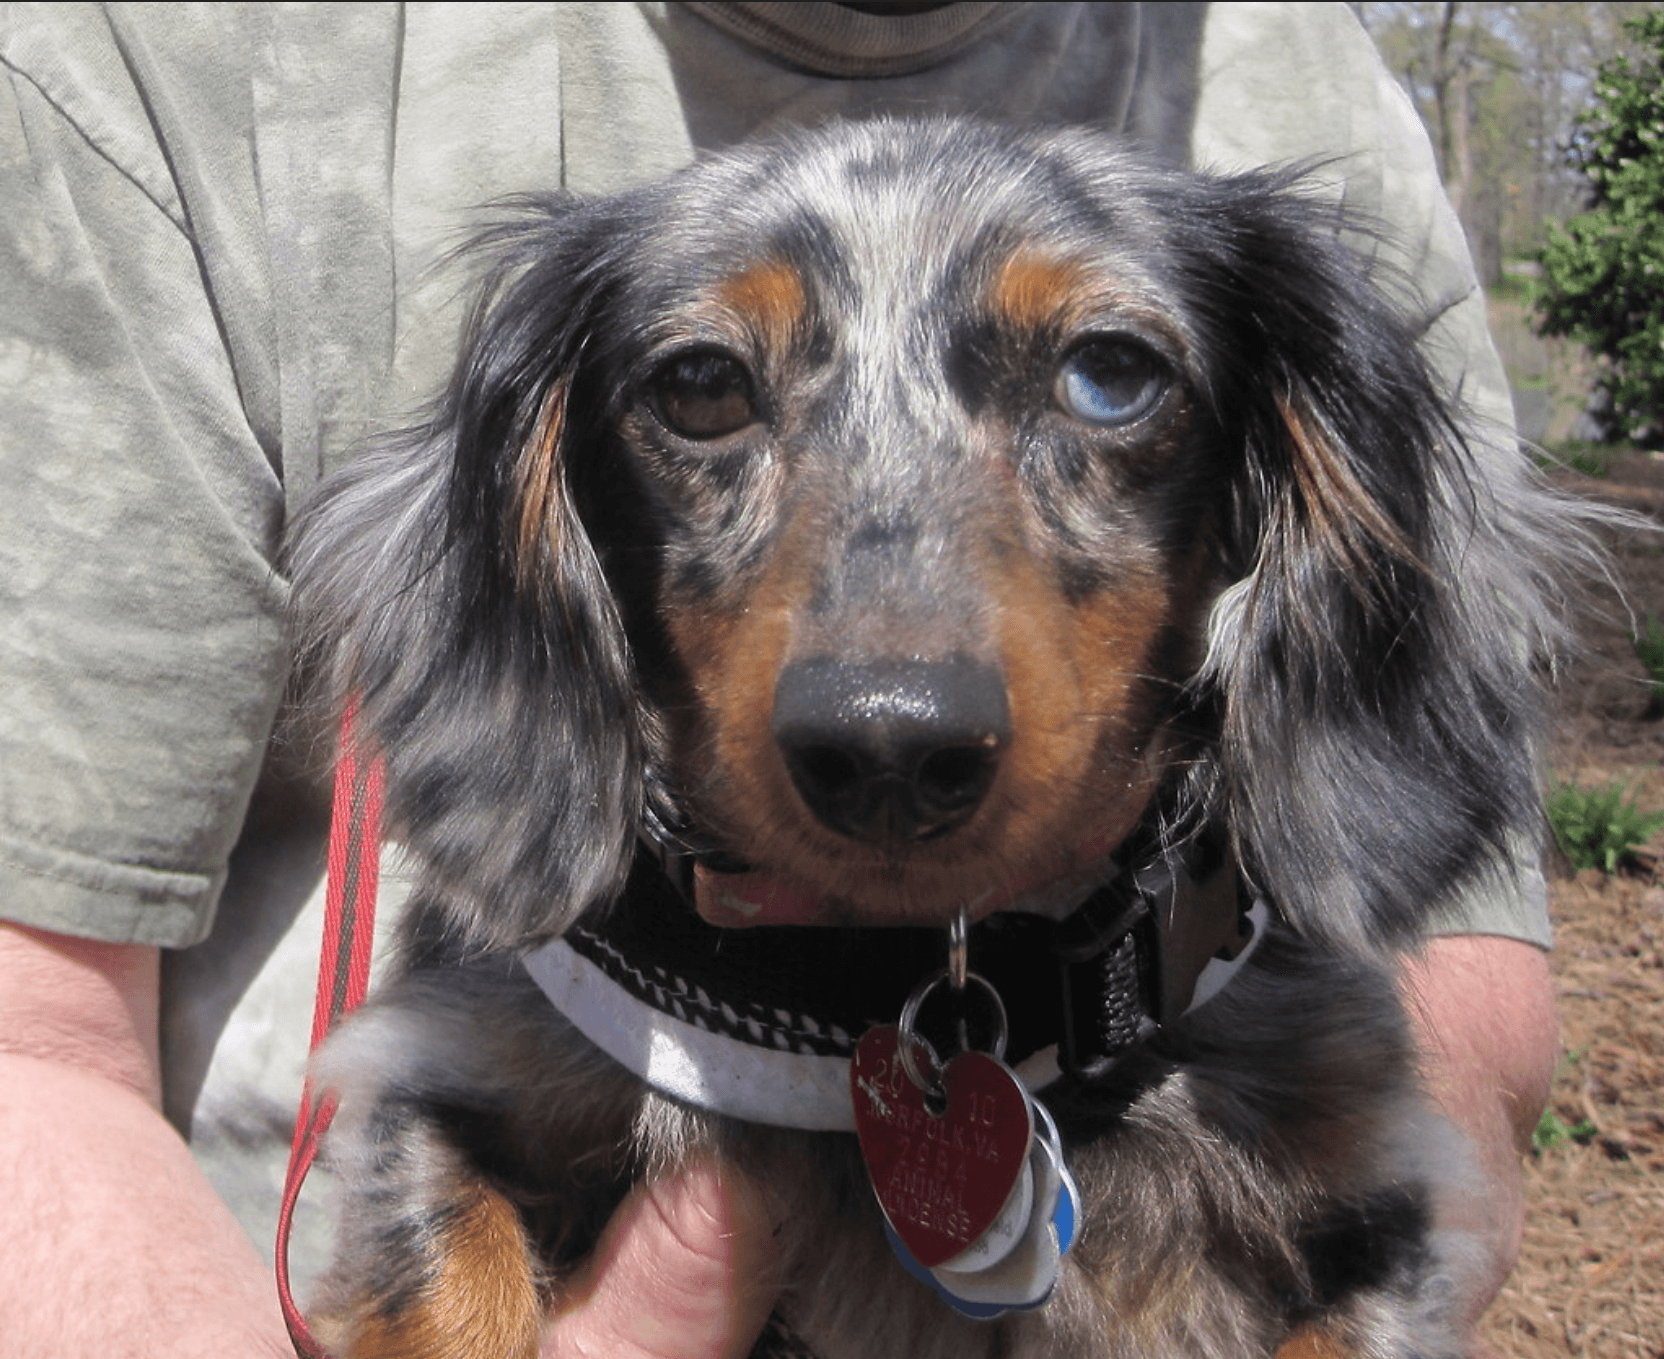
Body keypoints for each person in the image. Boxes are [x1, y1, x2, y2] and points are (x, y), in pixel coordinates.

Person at [0, 4, 1556, 1356]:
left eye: (1109, 376)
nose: (895, 695)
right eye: (705, 393)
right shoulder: (172, 55)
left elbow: (1438, 1077)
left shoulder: (1309, 75)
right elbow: (32, 1048)